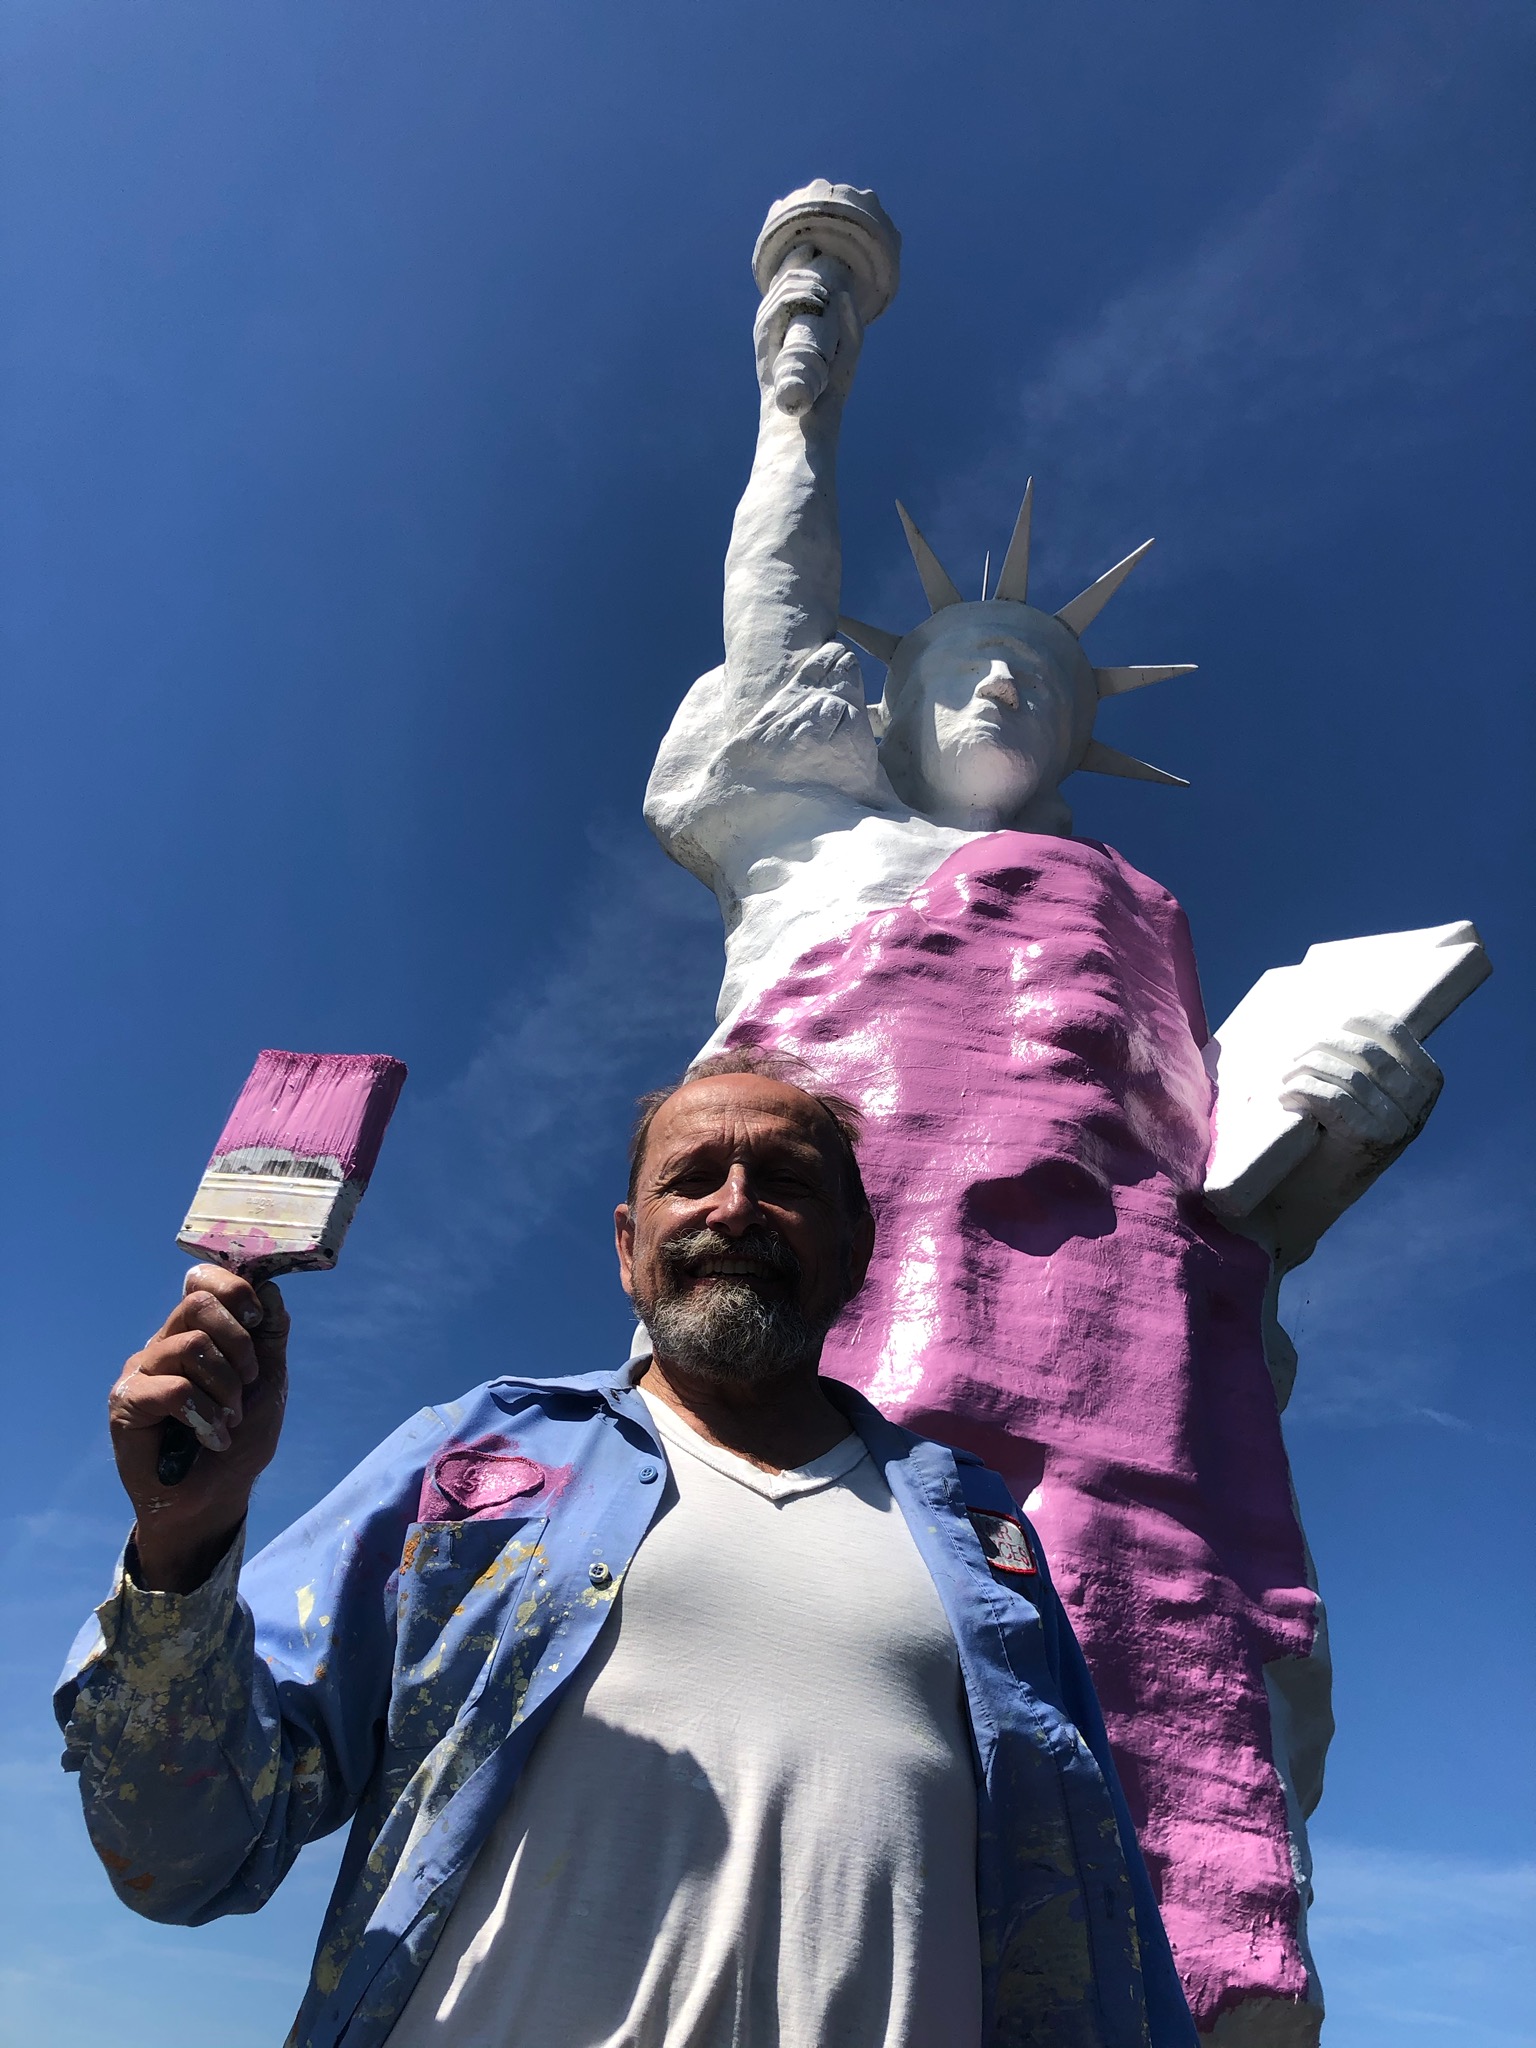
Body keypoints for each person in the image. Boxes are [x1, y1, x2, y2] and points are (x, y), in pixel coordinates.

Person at [643, 181, 1467, 2038]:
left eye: (1043, 671)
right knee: (823, 1807)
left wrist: (1329, 1132)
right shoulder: (818, 841)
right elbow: (773, 615)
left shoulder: (1145, 917)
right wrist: (804, 386)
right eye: (961, 657)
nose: (1003, 675)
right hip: (849, 1348)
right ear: (893, 701)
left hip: (1139, 1419)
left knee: (1163, 1837)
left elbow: (1217, 1200)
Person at [57, 1052, 1196, 2048]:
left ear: (858, 1249)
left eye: (787, 1182)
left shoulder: (981, 1531)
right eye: (692, 1177)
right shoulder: (474, 1460)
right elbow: (189, 1846)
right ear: (627, 1243)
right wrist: (185, 1533)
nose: (736, 1207)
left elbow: (1102, 1929)